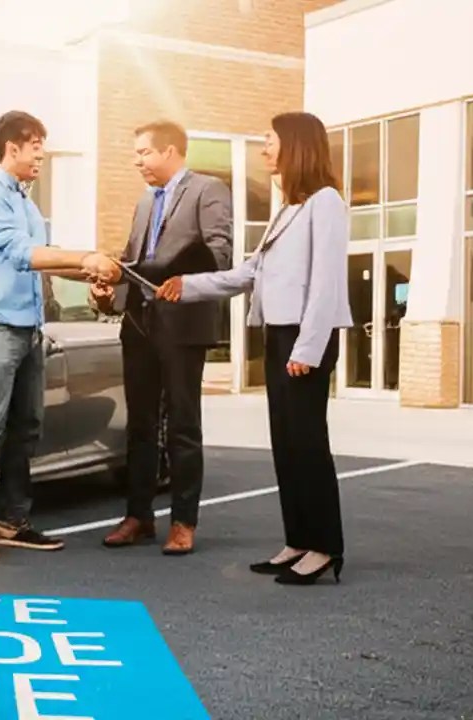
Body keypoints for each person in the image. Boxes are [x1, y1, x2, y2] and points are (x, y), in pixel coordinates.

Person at [153, 111, 353, 585]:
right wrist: (188, 284)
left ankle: (325, 547)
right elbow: (247, 274)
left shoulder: (326, 202)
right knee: (285, 446)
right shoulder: (288, 209)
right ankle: (298, 540)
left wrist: (306, 348)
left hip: (306, 338)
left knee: (307, 447)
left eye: (270, 140)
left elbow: (325, 283)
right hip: (280, 335)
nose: (264, 149)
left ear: (296, 144)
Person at [0, 110, 120, 562]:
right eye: (36, 149)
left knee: (27, 428)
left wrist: (89, 272)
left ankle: (10, 520)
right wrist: (86, 256)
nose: (41, 158)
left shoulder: (27, 204)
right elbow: (21, 253)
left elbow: (44, 260)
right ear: (12, 147)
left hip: (29, 328)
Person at [90, 120, 231, 556]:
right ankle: (139, 517)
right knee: (141, 426)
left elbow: (218, 254)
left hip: (183, 326)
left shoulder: (209, 190)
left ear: (170, 151)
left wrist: (149, 272)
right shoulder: (145, 202)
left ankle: (184, 522)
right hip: (139, 327)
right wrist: (109, 289)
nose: (138, 162)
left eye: (144, 153)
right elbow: (135, 261)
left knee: (183, 426)